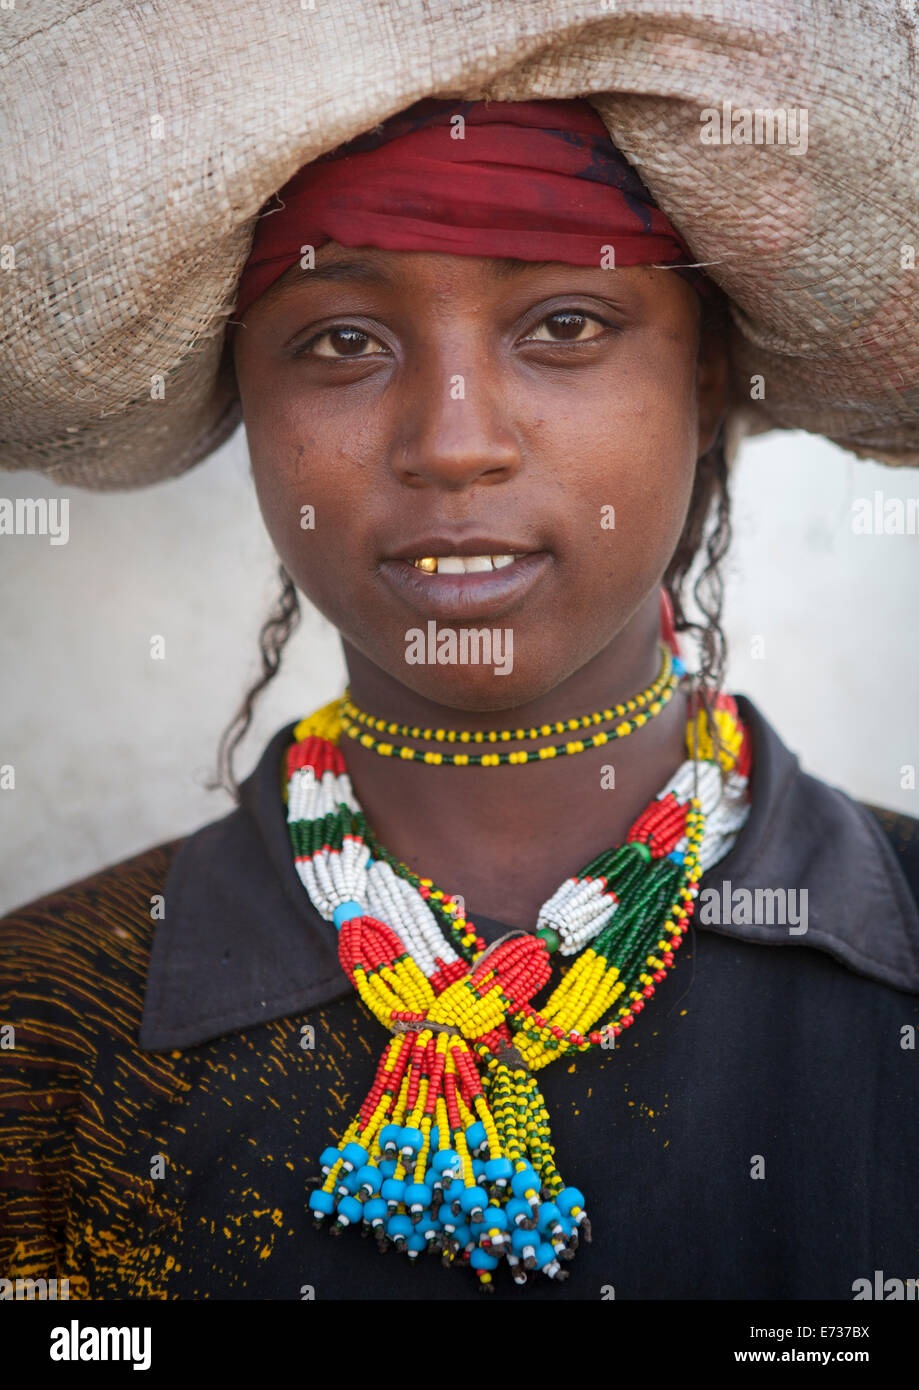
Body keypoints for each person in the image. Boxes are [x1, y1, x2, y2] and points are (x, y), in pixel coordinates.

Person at [1, 98, 917, 1302]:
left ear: (702, 385)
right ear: (249, 405)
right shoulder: (44, 1035)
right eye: (340, 341)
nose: (452, 440)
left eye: (566, 322)